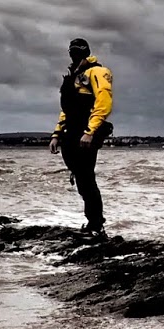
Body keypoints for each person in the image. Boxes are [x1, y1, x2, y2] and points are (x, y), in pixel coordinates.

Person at [50, 38, 114, 235]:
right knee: (80, 177)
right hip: (71, 132)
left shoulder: (98, 72)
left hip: (85, 132)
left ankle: (96, 224)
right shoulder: (73, 76)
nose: (74, 53)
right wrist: (57, 134)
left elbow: (103, 102)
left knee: (86, 178)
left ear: (86, 51)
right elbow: (66, 110)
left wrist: (90, 131)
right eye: (72, 50)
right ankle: (92, 222)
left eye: (78, 50)